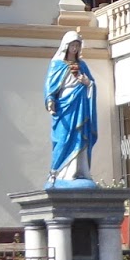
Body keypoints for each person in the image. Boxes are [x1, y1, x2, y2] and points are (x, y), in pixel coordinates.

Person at [44, 30, 97, 186]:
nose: (74, 48)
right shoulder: (57, 65)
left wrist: (87, 83)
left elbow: (91, 84)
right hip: (64, 106)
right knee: (63, 137)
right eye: (72, 45)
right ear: (66, 46)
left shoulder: (82, 65)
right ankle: (57, 172)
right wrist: (50, 100)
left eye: (77, 45)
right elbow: (50, 85)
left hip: (80, 104)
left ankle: (79, 171)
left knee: (80, 136)